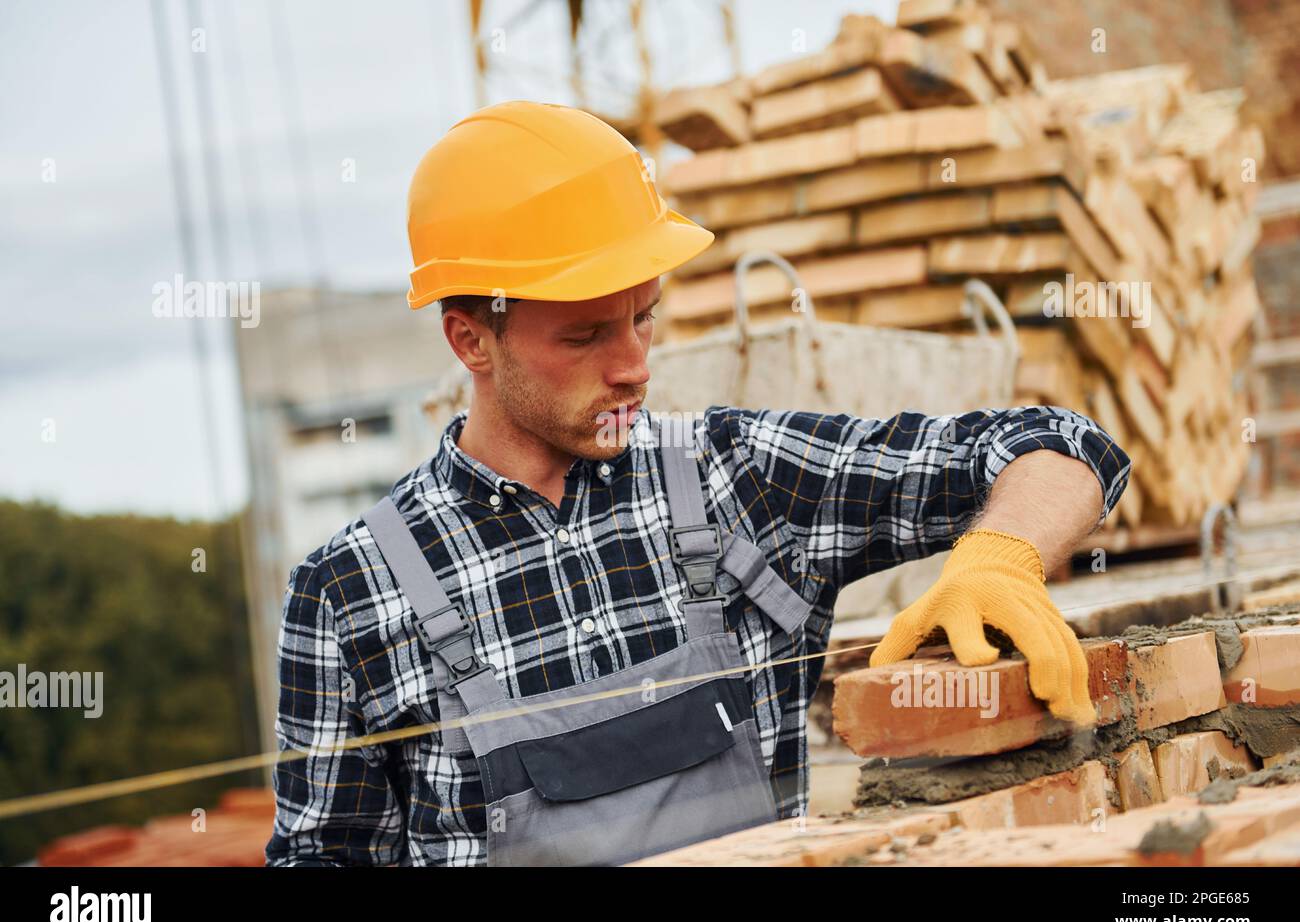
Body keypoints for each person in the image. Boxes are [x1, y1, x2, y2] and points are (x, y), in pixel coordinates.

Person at [265, 101, 1130, 866]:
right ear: (471, 341)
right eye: (587, 335)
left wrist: (1001, 555)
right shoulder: (352, 594)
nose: (634, 366)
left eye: (645, 318)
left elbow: (1058, 440)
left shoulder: (737, 479)